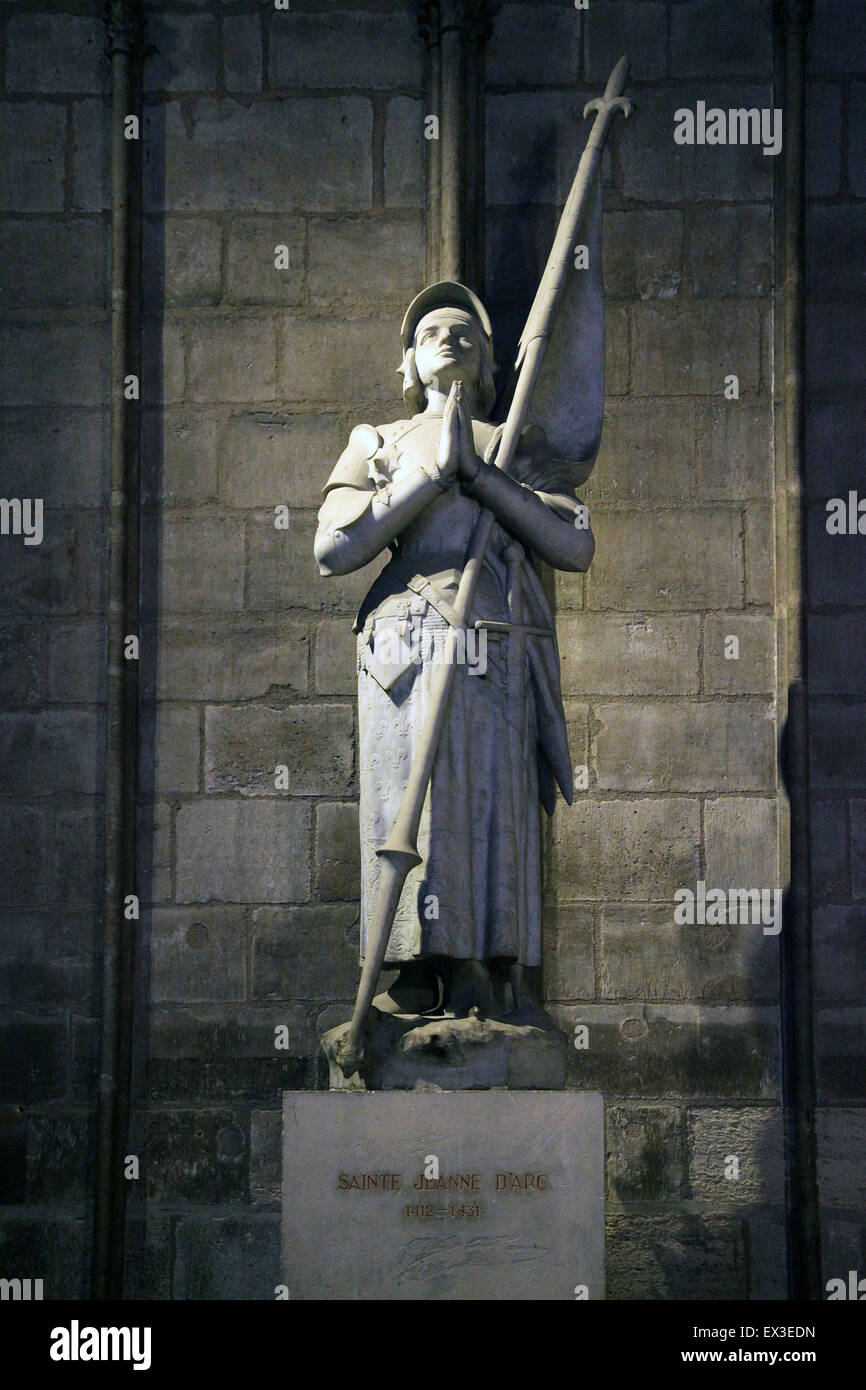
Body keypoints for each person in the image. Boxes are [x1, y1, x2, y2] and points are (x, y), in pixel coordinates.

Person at [314, 282, 594, 1019]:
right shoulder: (376, 441)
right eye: (432, 329)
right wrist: (432, 475)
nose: (449, 337)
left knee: (485, 796)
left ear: (491, 359)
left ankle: (478, 962)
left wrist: (482, 476)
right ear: (408, 360)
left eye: (467, 331)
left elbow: (572, 543)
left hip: (491, 639)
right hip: (405, 638)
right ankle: (409, 963)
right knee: (407, 797)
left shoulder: (514, 440)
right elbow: (334, 547)